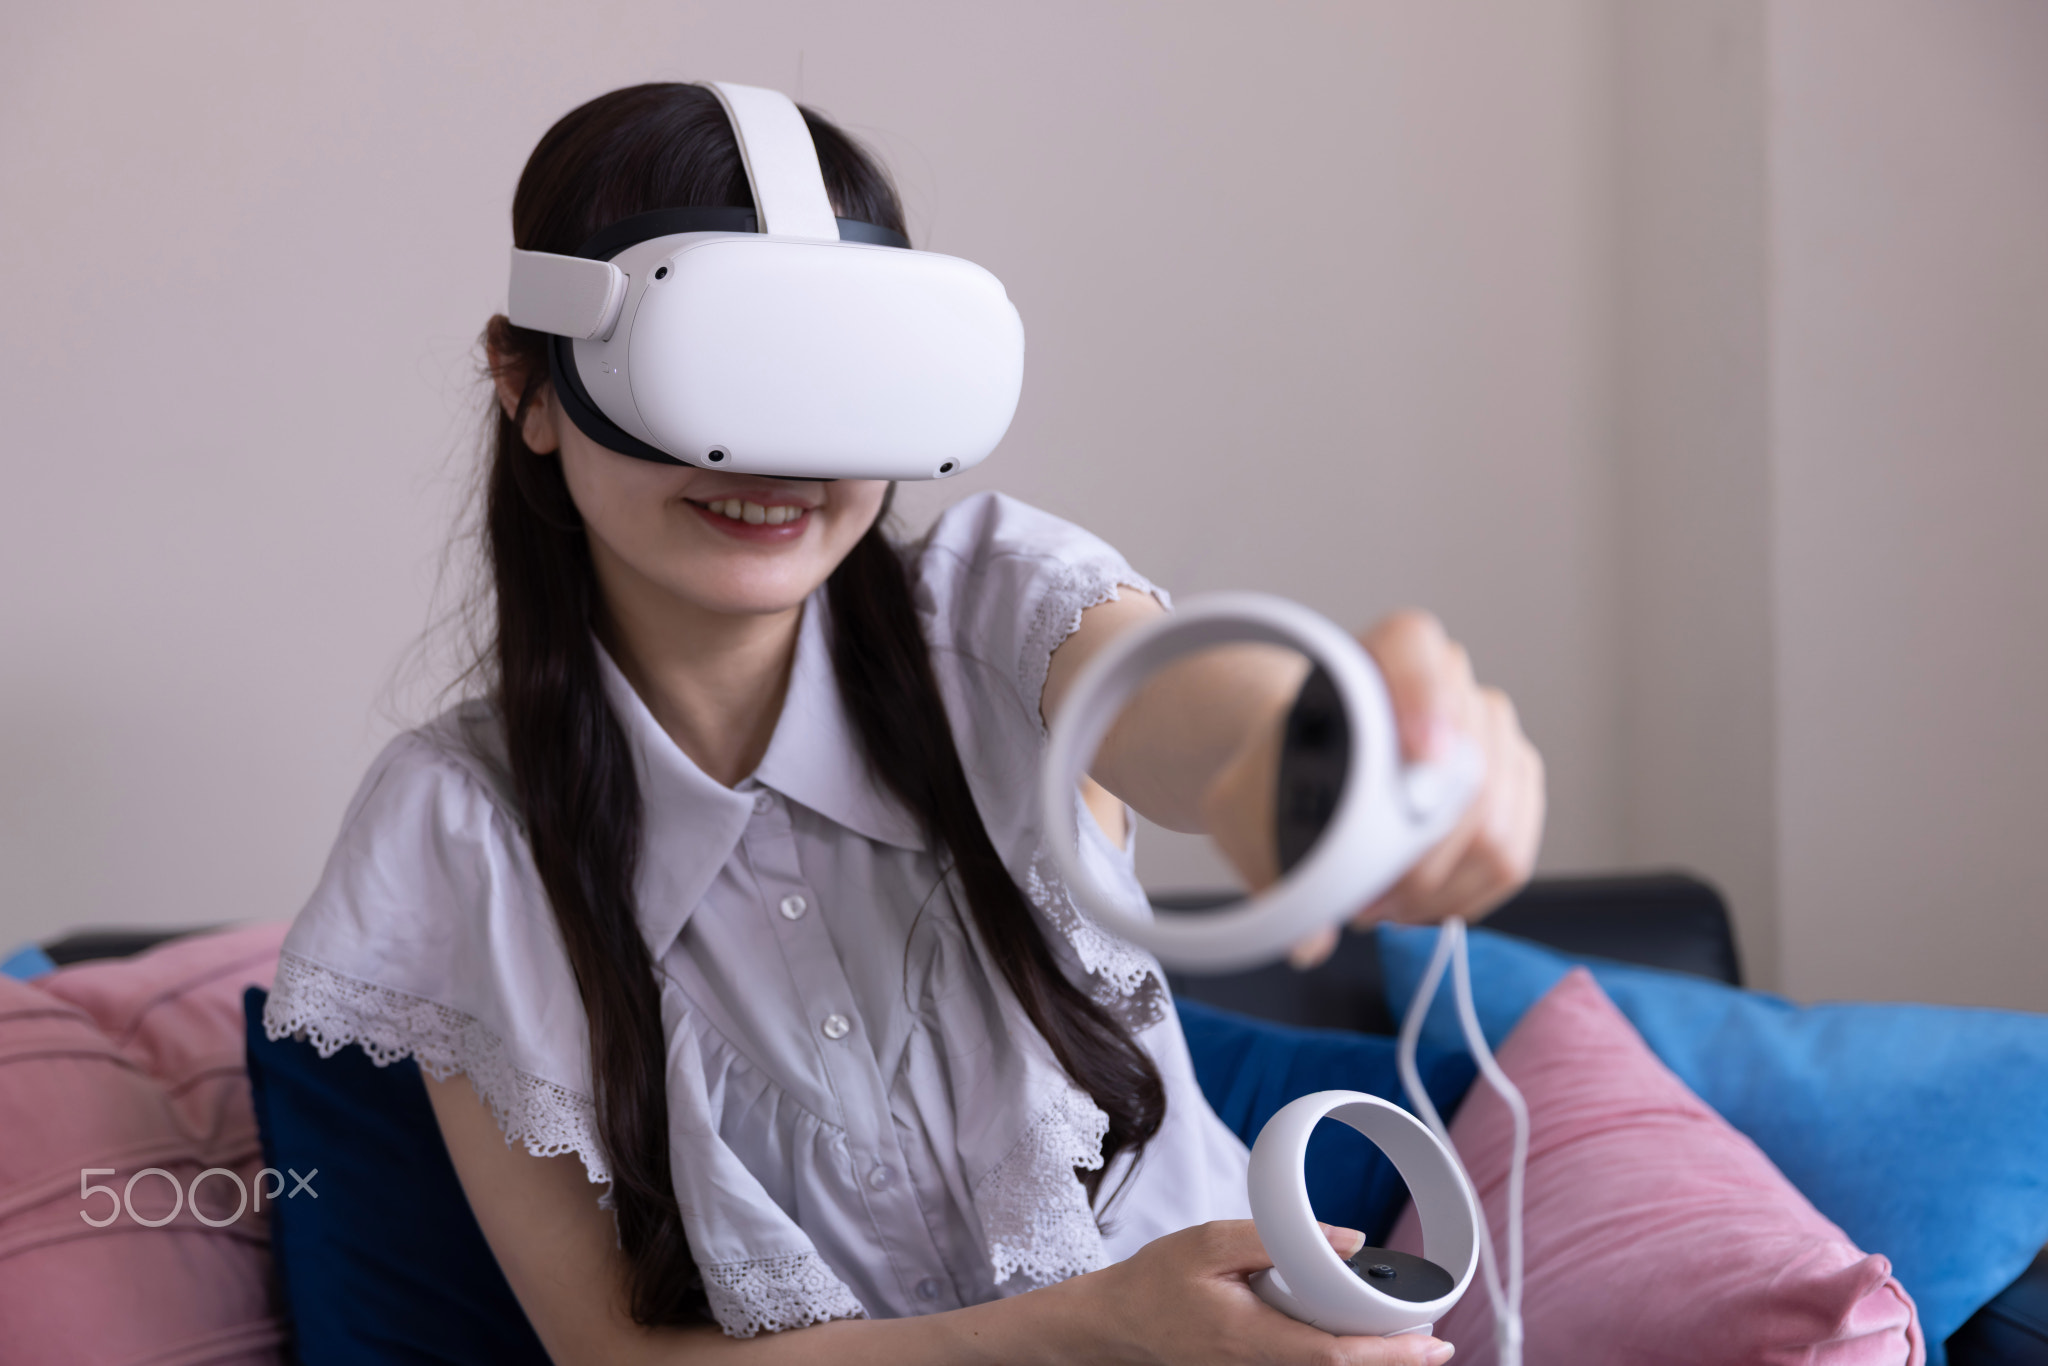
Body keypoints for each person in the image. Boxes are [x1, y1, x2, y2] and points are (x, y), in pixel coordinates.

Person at [265, 82, 1545, 1366]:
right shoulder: (461, 830)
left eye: (836, 377)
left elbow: (1212, 729)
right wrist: (1099, 1330)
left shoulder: (998, 614)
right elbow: (621, 1358)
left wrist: (1348, 765)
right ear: (528, 385)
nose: (772, 458)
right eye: (712, 365)